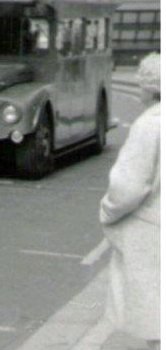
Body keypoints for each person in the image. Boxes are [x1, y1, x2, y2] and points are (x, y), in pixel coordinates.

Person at [99, 52, 160, 348]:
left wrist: (107, 212)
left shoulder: (149, 125)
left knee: (154, 318)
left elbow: (127, 188)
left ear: (151, 88)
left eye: (140, 84)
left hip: (152, 233)